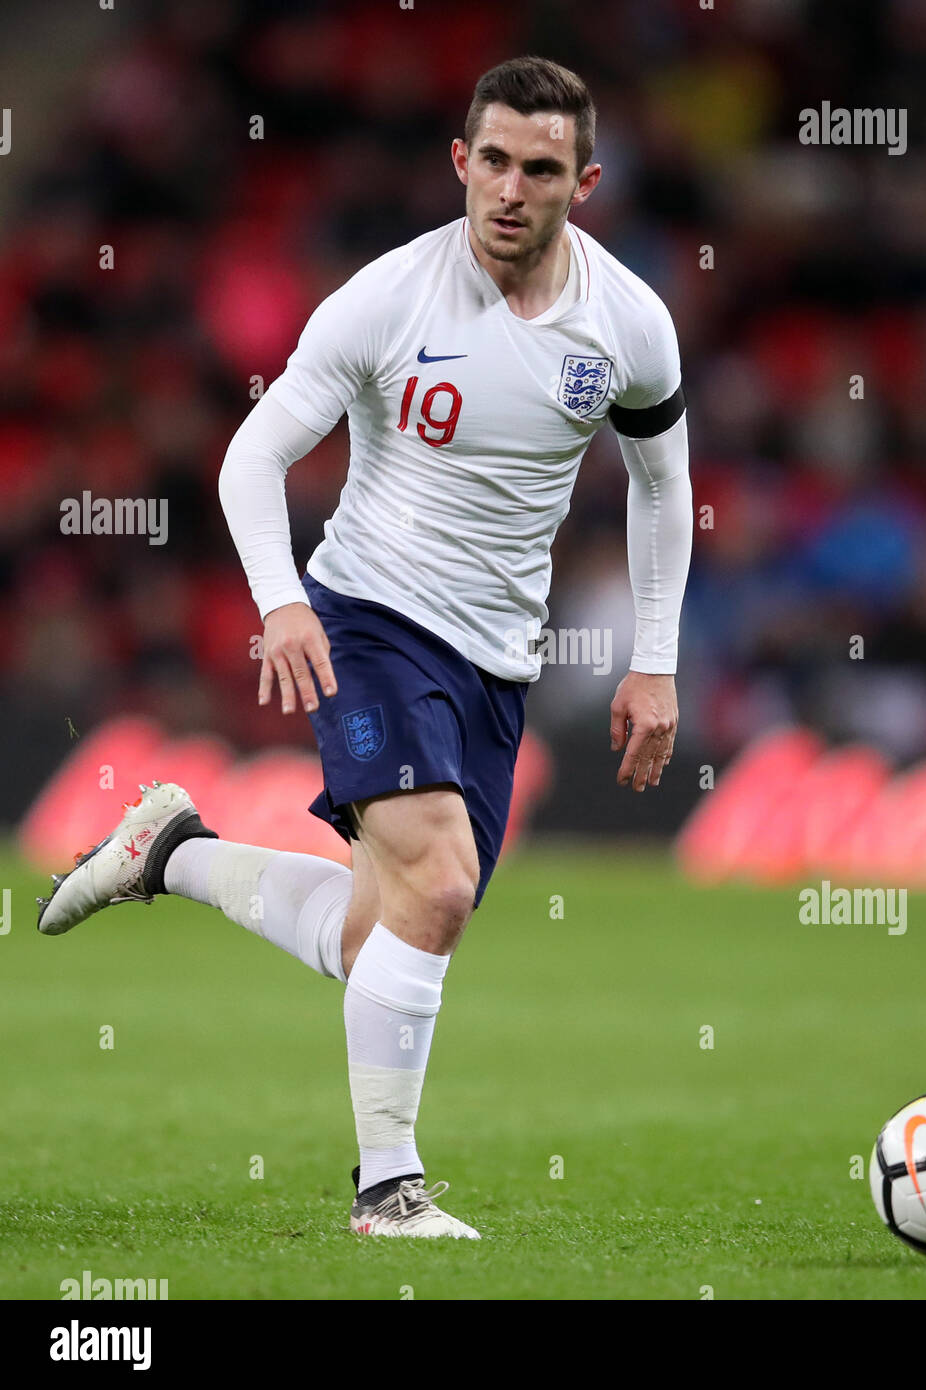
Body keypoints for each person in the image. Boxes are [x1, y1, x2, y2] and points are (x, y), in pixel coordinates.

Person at [37, 55, 692, 1239]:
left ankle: (170, 850)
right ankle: (387, 1190)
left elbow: (663, 482)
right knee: (438, 887)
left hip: (496, 660)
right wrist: (282, 601)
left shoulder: (630, 325)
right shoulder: (384, 301)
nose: (508, 188)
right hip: (367, 620)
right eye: (489, 160)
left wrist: (656, 657)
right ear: (459, 160)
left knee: (374, 932)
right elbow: (249, 456)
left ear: (582, 182)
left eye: (538, 169)